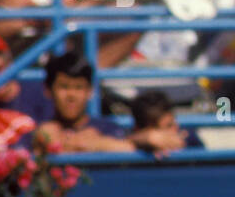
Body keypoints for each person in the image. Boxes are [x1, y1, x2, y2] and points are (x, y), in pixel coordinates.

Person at [31, 50, 174, 153]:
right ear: (48, 90)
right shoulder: (40, 127)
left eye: (79, 87)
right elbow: (50, 142)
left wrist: (94, 143)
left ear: (90, 91)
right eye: (64, 87)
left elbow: (134, 146)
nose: (71, 95)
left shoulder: (109, 129)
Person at [130, 89, 200, 153]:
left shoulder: (190, 141)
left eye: (174, 122)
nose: (176, 127)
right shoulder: (130, 151)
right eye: (168, 126)